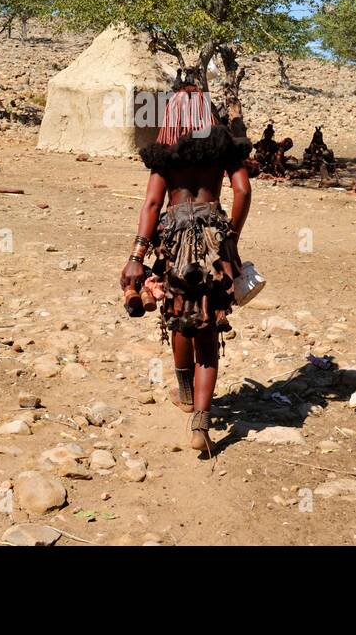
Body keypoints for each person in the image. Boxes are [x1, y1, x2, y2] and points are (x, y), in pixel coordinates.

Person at [119, 73, 252, 456]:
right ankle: (202, 424)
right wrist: (231, 237)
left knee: (178, 313)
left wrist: (136, 256)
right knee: (208, 325)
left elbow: (151, 205)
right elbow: (243, 190)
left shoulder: (165, 153)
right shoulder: (223, 148)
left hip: (174, 237)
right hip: (213, 236)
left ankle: (184, 391)